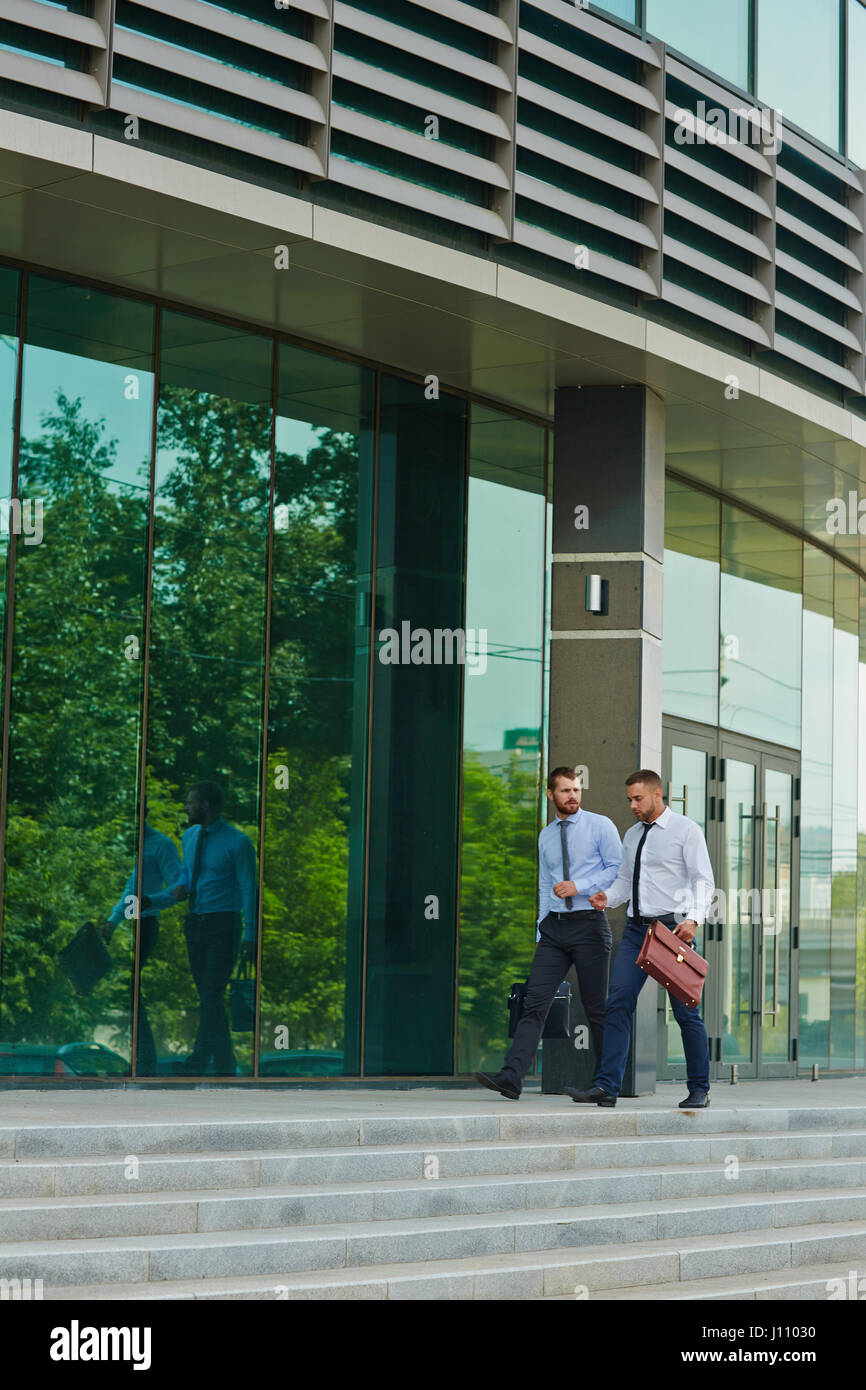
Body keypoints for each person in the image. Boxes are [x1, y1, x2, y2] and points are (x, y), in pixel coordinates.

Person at [567, 769, 714, 1110]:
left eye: (638, 798)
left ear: (657, 795)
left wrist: (693, 918)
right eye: (629, 799)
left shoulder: (685, 831)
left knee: (686, 1012)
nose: (632, 805)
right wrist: (608, 898)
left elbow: (703, 880)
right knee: (617, 1003)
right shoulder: (632, 834)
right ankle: (606, 1087)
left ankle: (699, 1088)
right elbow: (623, 880)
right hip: (637, 930)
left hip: (673, 930)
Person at [474, 766, 622, 1101]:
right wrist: (540, 930)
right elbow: (545, 885)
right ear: (550, 794)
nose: (573, 796)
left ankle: (606, 1087)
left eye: (577, 789)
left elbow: (617, 869)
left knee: (596, 1007)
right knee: (534, 1003)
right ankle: (512, 1077)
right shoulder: (546, 835)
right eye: (566, 790)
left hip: (589, 925)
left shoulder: (600, 826)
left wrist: (580, 886)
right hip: (554, 929)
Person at [151, 781, 257, 1077]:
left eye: (190, 802)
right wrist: (179, 887)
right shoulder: (190, 835)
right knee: (209, 997)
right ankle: (225, 1063)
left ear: (206, 806)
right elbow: (186, 871)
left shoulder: (238, 843)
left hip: (224, 924)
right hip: (195, 923)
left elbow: (250, 890)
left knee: (211, 992)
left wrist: (251, 934)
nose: (186, 807)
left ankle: (199, 1061)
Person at [103, 807, 181, 1074]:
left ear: (143, 812)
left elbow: (177, 887)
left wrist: (151, 901)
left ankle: (146, 1062)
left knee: (133, 988)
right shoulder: (139, 844)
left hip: (148, 922)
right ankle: (143, 1060)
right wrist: (113, 921)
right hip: (138, 921)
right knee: (131, 990)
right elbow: (131, 888)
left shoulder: (161, 845)